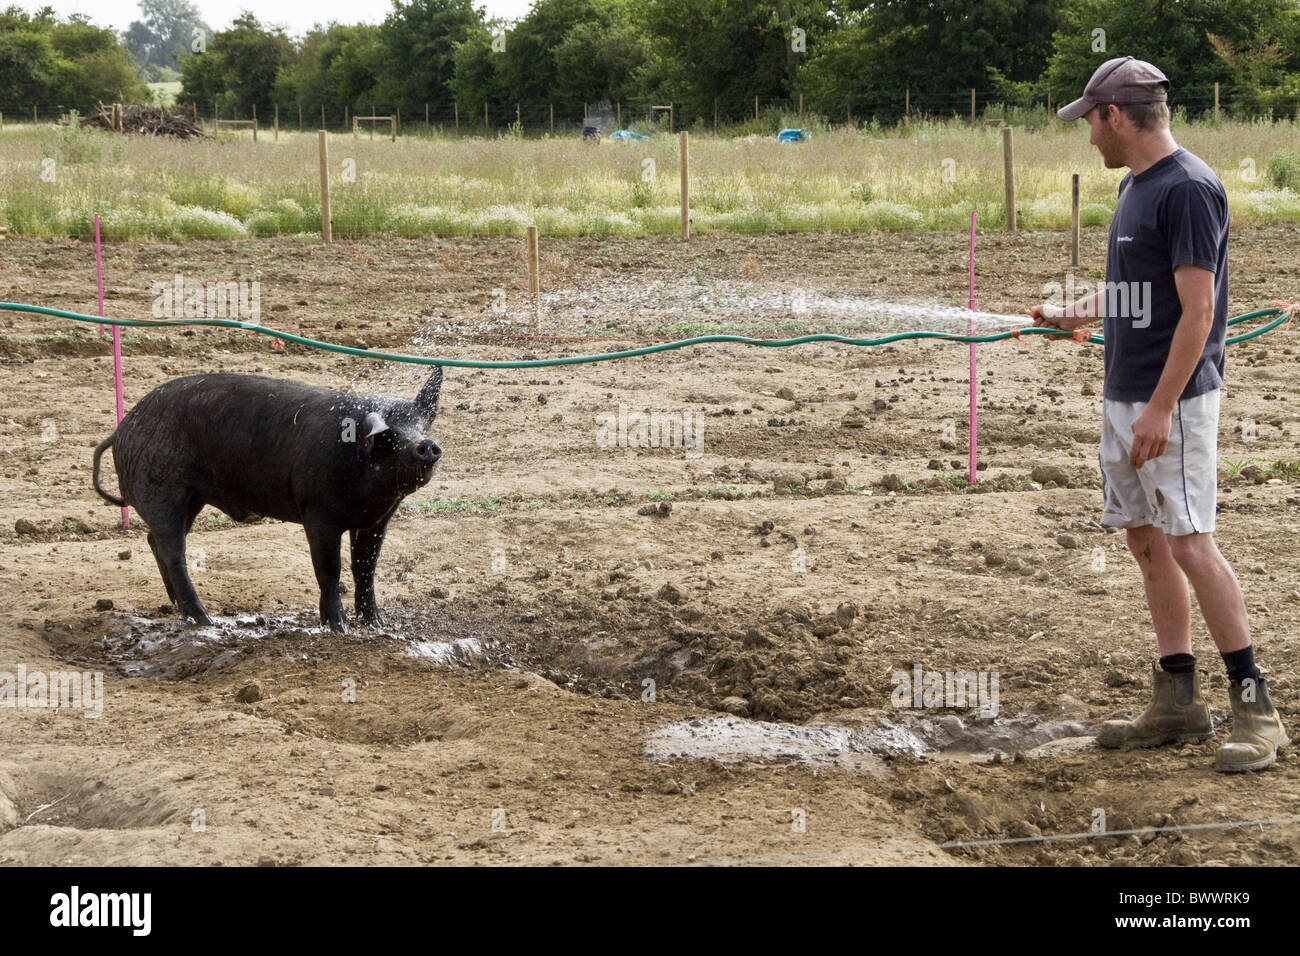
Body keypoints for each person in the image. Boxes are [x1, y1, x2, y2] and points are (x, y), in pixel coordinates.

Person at [1027, 56, 1288, 771]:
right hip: (1124, 393)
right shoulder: (1134, 188)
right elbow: (1137, 293)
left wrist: (1161, 410)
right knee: (1146, 543)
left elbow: (1199, 313)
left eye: (1091, 122)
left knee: (1190, 544)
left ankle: (1256, 708)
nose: (1088, 138)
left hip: (1170, 402)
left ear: (1116, 116)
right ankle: (1178, 700)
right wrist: (1072, 313)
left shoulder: (1190, 189)